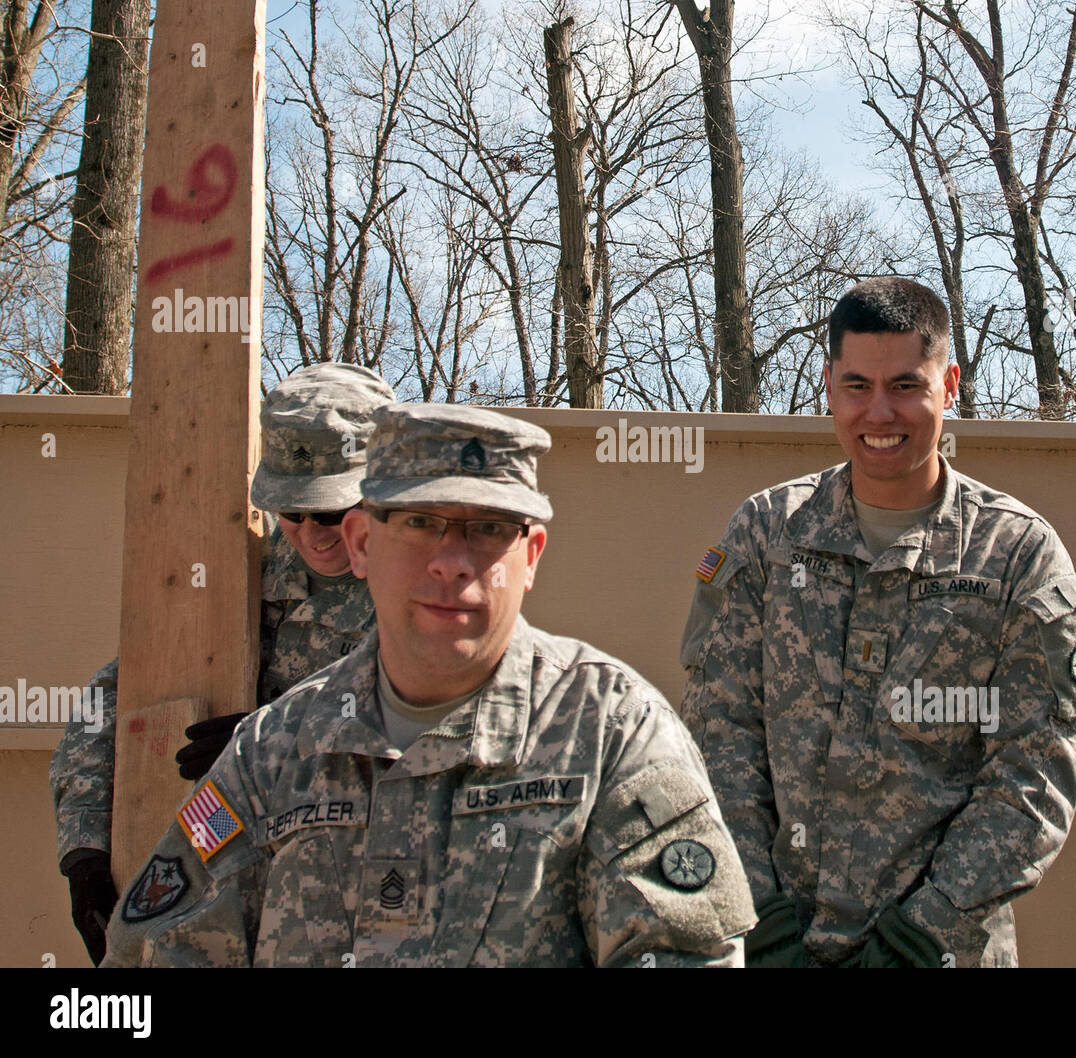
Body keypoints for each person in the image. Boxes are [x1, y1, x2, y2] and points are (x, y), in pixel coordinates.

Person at [101, 403, 755, 967]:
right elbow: (153, 954)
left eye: (488, 528)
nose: (452, 562)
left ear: (530, 557)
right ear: (361, 542)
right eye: (420, 522)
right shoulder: (272, 751)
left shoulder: (615, 732)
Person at [680, 276, 1076, 968]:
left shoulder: (1015, 554)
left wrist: (922, 937)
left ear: (949, 384)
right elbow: (717, 739)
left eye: (905, 386)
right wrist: (761, 924)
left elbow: (1032, 776)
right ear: (829, 386)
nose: (879, 412)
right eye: (857, 386)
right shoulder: (766, 534)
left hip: (941, 954)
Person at [50, 362, 393, 965]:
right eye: (292, 512)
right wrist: (85, 852)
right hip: (230, 897)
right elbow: (113, 697)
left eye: (330, 513)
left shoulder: (428, 592)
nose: (311, 535)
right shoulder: (241, 571)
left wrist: (276, 746)